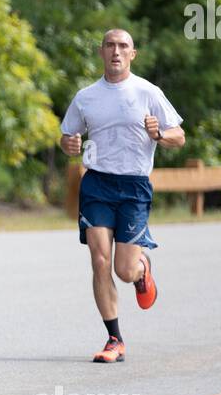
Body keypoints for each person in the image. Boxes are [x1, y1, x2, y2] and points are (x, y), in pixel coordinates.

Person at [59, 29, 185, 363]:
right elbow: (67, 135)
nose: (116, 51)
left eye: (123, 46)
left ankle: (141, 269)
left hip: (133, 187)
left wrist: (160, 133)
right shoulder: (86, 96)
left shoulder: (148, 92)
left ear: (133, 54)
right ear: (101, 52)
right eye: (110, 46)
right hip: (97, 184)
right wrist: (68, 144)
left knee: (123, 270)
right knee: (99, 260)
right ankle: (114, 339)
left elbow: (179, 135)